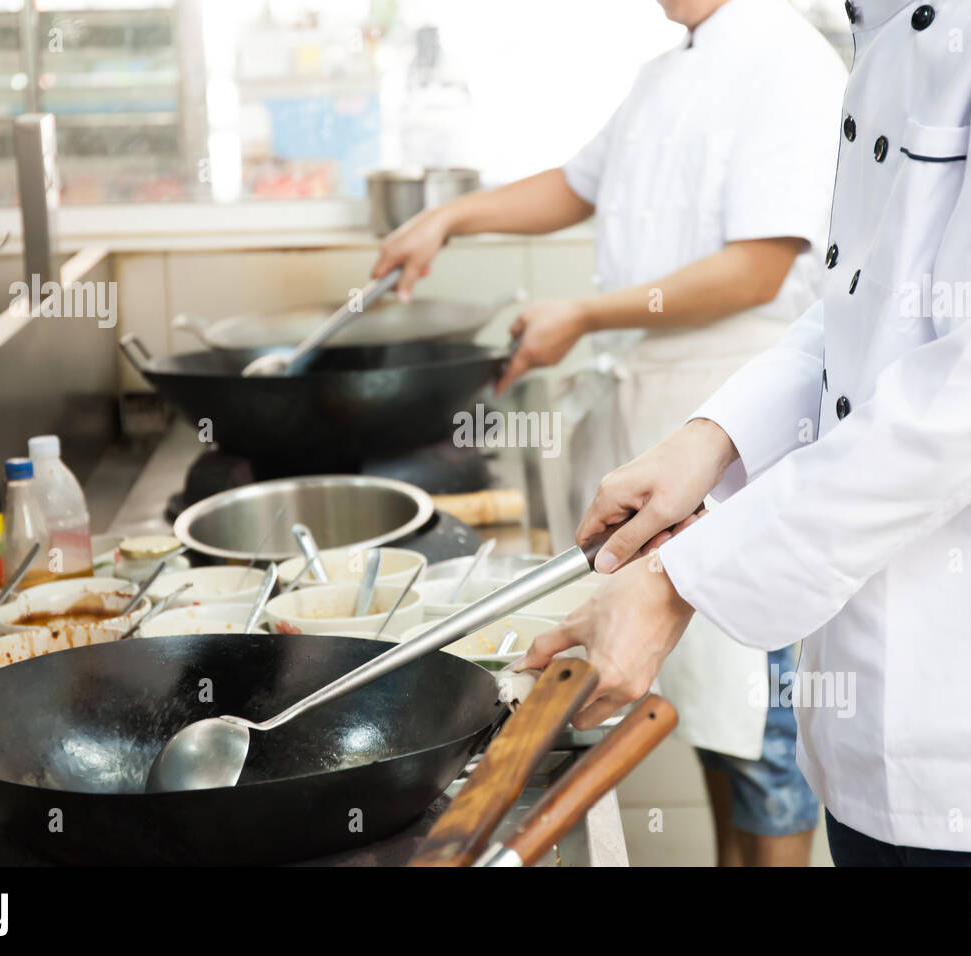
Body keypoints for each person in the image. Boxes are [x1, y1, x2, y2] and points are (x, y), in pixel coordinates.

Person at [518, 0, 971, 864]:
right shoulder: (888, 25)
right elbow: (867, 304)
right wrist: (711, 439)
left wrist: (675, 582)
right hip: (871, 736)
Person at [373, 0, 846, 865]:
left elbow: (758, 267)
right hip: (663, 428)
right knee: (709, 712)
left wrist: (587, 313)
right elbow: (578, 184)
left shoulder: (789, 60)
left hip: (743, 427)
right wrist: (450, 217)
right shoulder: (667, 72)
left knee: (761, 727)